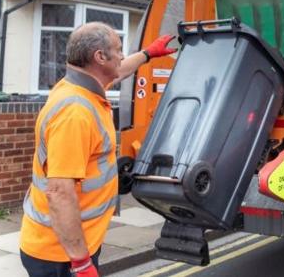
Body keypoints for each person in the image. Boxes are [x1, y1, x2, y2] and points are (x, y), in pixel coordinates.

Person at [19, 22, 177, 277]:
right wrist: (81, 263)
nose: (123, 55)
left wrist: (148, 53)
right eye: (118, 49)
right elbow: (59, 193)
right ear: (100, 57)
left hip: (72, 244)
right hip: (60, 255)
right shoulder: (76, 112)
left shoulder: (81, 86)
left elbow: (119, 70)